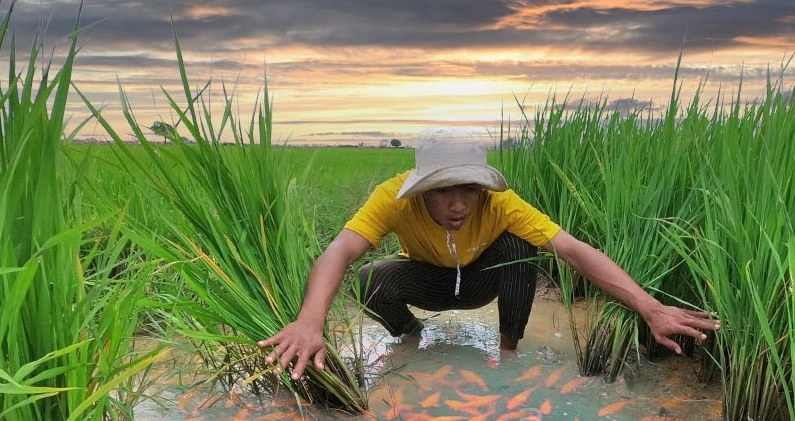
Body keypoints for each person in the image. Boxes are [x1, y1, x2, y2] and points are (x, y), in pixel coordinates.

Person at [261, 130, 718, 380]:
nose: (458, 204)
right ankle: (410, 336)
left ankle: (509, 352)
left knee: (521, 246)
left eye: (469, 190)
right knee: (370, 276)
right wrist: (309, 322)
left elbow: (575, 252)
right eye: (444, 192)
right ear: (422, 191)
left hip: (481, 280)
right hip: (428, 280)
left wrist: (651, 308)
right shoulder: (392, 197)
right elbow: (340, 249)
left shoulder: (501, 203)